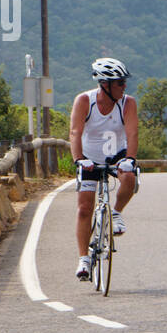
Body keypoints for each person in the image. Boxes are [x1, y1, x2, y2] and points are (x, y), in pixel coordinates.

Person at [70, 58, 139, 280]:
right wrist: (79, 159)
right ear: (105, 85)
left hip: (117, 155)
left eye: (124, 82)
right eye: (120, 83)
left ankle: (116, 213)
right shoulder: (84, 101)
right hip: (89, 158)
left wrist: (129, 158)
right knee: (84, 208)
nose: (124, 87)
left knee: (128, 177)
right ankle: (84, 259)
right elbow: (75, 132)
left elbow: (132, 134)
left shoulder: (128, 103)